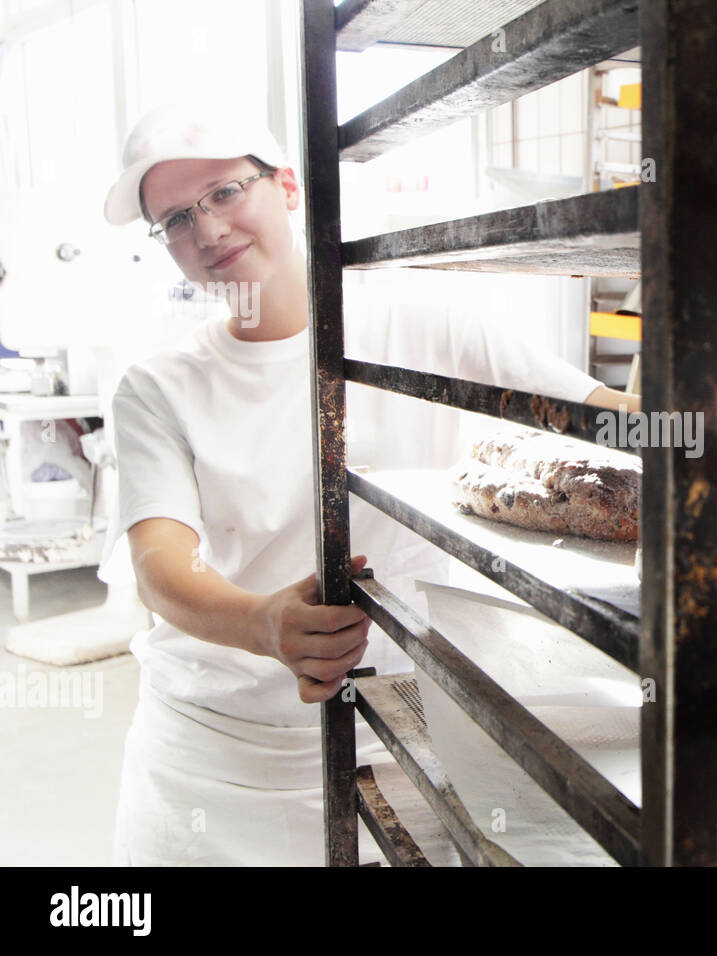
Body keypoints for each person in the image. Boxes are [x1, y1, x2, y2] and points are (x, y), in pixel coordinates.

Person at [101, 101, 640, 865]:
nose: (209, 231)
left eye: (225, 192)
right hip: (217, 757)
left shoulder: (427, 327)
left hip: (404, 731)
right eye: (177, 219)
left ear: (287, 186)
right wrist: (264, 625)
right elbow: (161, 566)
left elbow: (592, 416)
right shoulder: (161, 387)